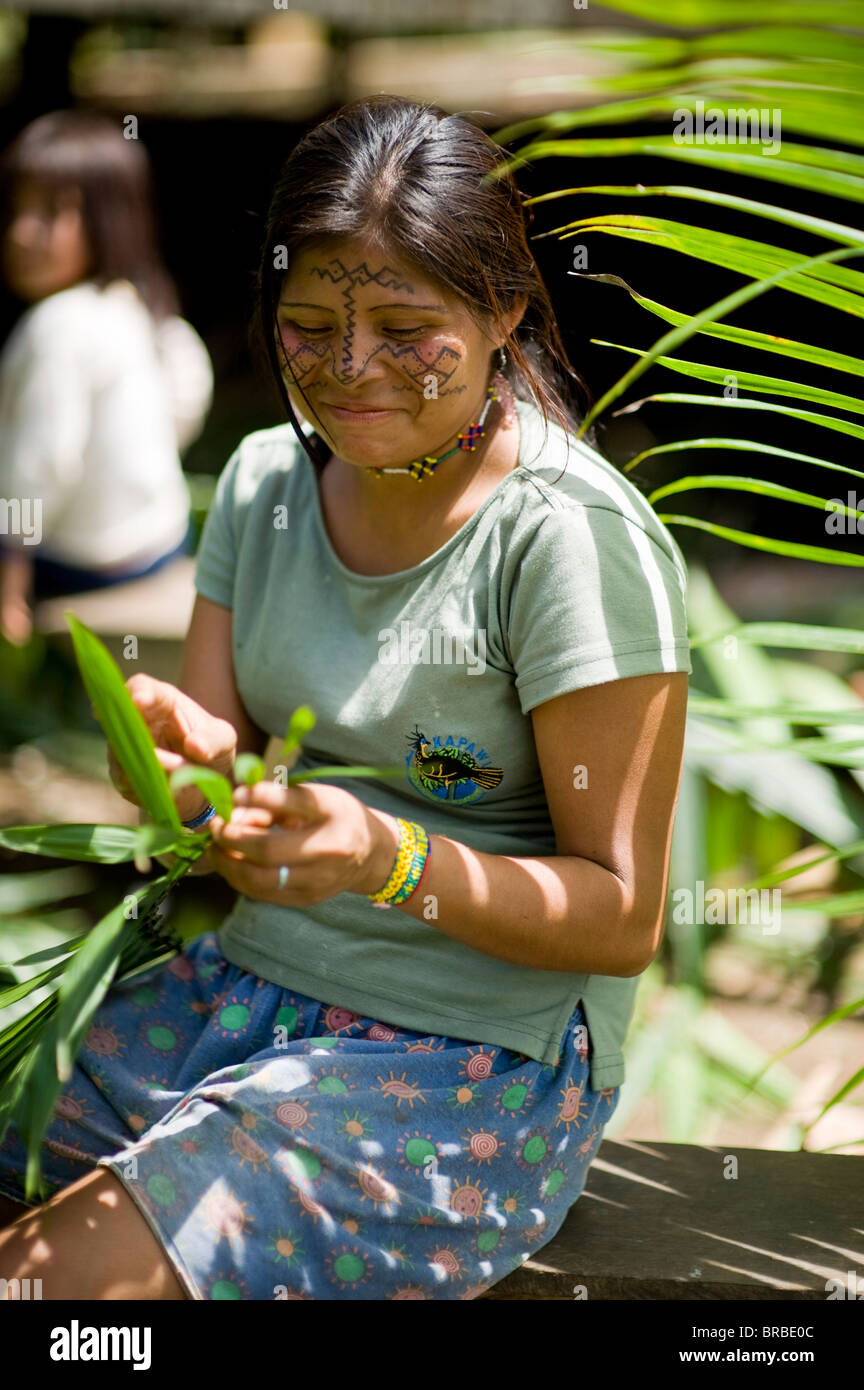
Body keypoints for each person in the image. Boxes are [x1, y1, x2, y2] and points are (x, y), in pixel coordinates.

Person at [0, 95, 691, 1300]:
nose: (349, 369)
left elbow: (622, 914)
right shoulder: (270, 480)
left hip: (469, 1066)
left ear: (505, 311)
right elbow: (219, 820)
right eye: (309, 325)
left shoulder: (568, 545)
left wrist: (386, 857)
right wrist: (185, 774)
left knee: (46, 1289)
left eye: (404, 326)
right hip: (242, 998)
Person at [0, 109, 213, 646]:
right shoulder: (138, 301)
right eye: (16, 209)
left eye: (49, 214)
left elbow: (40, 462)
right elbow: (191, 384)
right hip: (159, 539)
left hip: (86, 563)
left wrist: (11, 573)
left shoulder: (55, 326)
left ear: (106, 218)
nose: (22, 232)